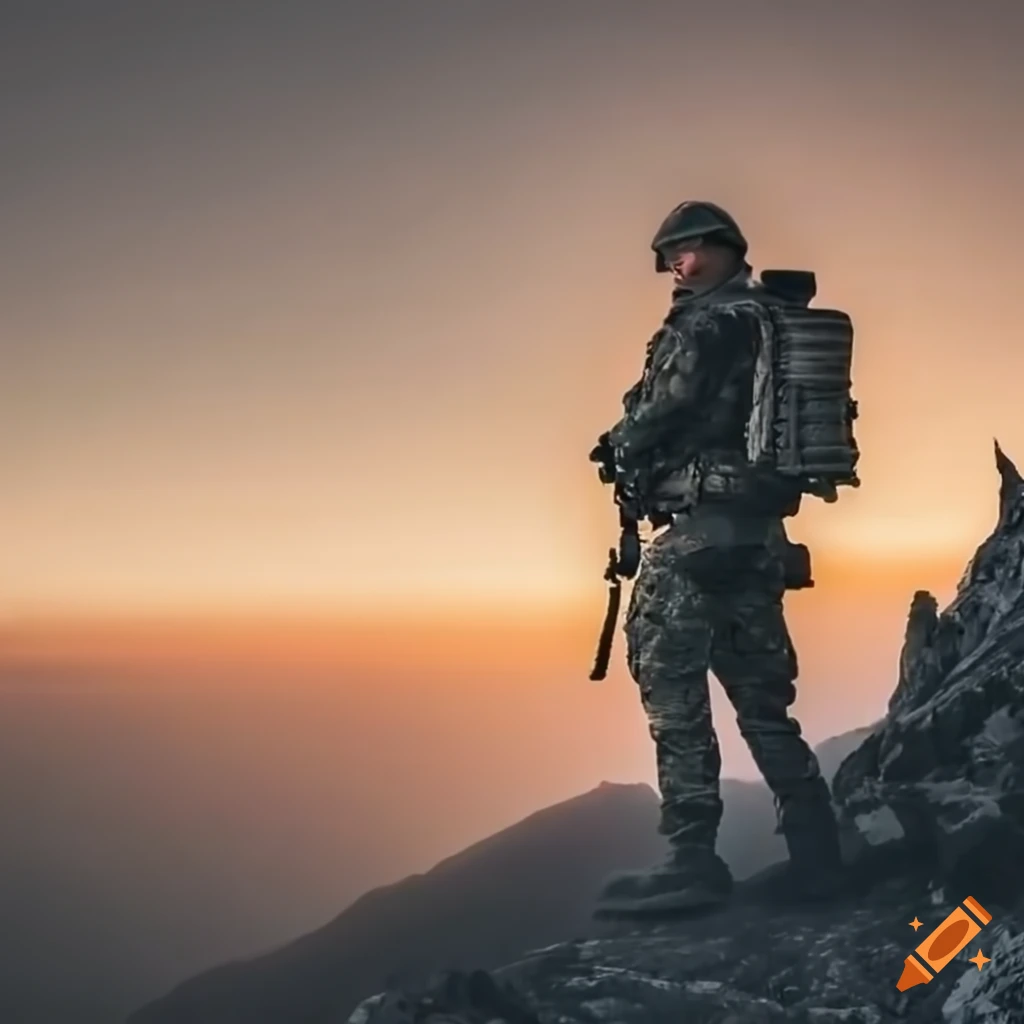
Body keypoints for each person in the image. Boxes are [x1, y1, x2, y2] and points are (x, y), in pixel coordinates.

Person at [591, 201, 846, 916]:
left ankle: (691, 862)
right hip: (756, 539)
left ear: (723, 247)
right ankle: (818, 854)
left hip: (699, 537)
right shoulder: (767, 320)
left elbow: (666, 406)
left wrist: (617, 443)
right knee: (763, 701)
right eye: (671, 254)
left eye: (686, 249)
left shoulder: (710, 324)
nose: (676, 263)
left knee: (670, 685)